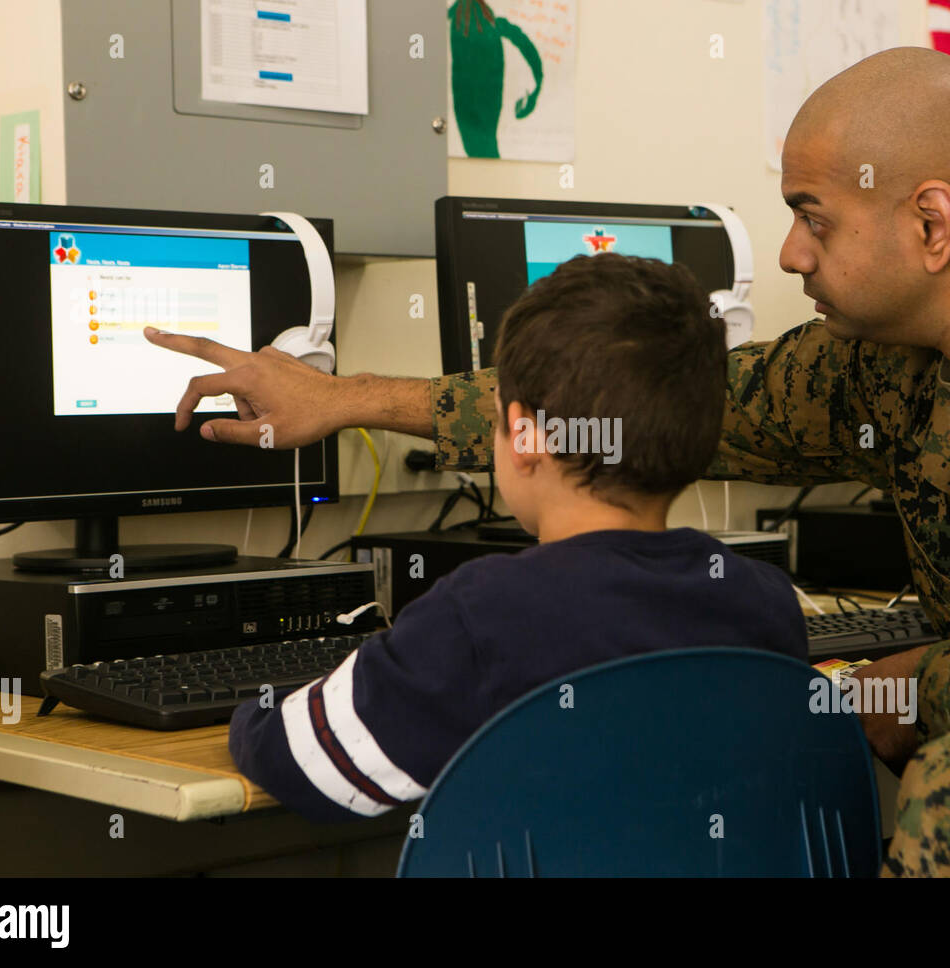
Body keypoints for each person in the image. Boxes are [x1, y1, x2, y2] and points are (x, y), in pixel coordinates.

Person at [147, 47, 950, 874]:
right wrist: (350, 400)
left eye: (811, 217)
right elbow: (670, 406)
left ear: (930, 223)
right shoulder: (880, 360)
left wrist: (924, 684)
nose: (790, 251)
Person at [212, 254, 807, 821]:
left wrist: (252, 707)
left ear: (522, 434)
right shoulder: (762, 599)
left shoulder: (486, 611)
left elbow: (304, 763)